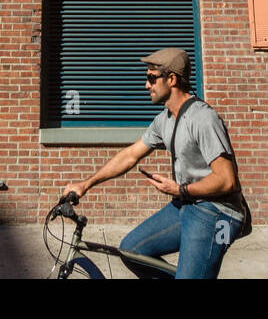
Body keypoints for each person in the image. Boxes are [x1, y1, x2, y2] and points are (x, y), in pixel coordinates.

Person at [61, 48, 247, 279]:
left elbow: (227, 180)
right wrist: (85, 184)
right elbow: (130, 155)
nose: (146, 85)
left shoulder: (203, 119)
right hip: (187, 204)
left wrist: (179, 189)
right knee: (133, 251)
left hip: (218, 213)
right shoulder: (165, 120)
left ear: (171, 79)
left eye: (151, 78)